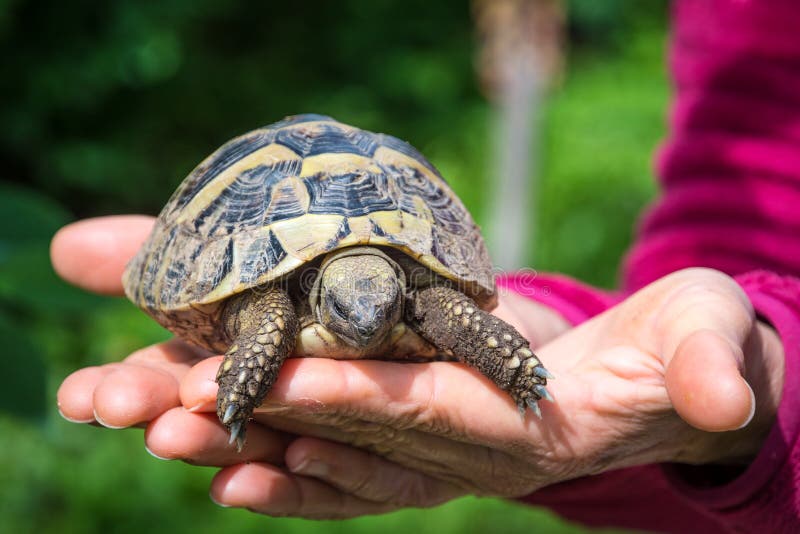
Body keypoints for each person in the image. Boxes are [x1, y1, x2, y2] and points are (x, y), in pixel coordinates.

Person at [52, 0, 800, 531]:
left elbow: (456, 317)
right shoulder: (275, 301)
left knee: (446, 318)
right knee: (267, 322)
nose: (371, 323)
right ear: (328, 300)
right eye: (355, 313)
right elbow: (744, 199)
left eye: (380, 307)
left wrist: (531, 372)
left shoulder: (416, 299)